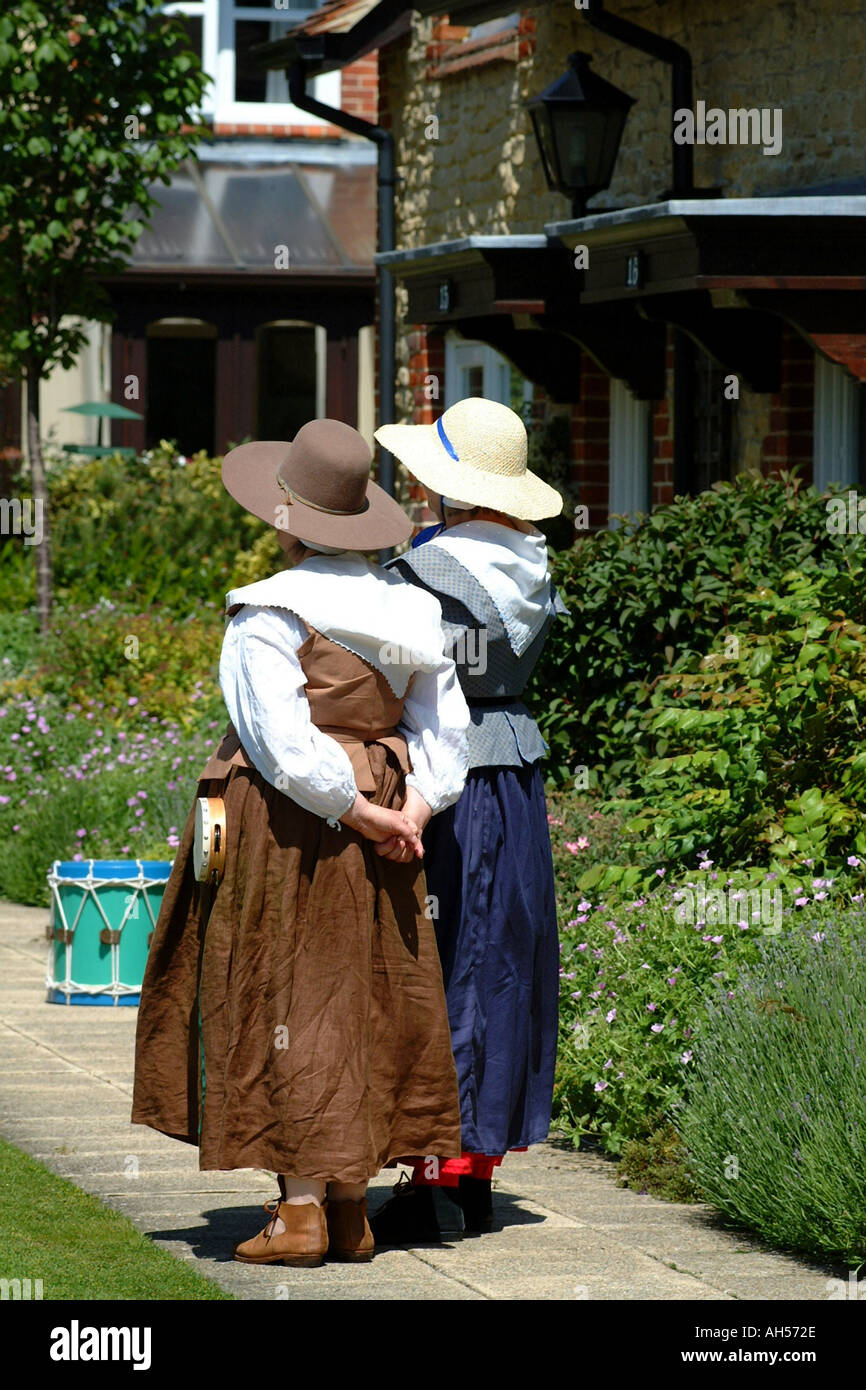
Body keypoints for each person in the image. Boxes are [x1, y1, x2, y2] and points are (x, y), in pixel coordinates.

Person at [131, 418, 469, 1267]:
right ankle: (353, 1207)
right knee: (365, 994)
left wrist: (358, 813)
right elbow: (446, 733)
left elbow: (281, 746)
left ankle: (305, 1212)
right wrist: (412, 813)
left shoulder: (269, 609)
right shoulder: (412, 607)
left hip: (290, 826)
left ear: (288, 518)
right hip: (388, 816)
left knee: (287, 993)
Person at [370, 396, 565, 1242]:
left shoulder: (425, 570)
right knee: (502, 961)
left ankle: (424, 1175)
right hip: (516, 775)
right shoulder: (535, 562)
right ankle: (476, 1173)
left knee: (434, 959)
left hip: (444, 775)